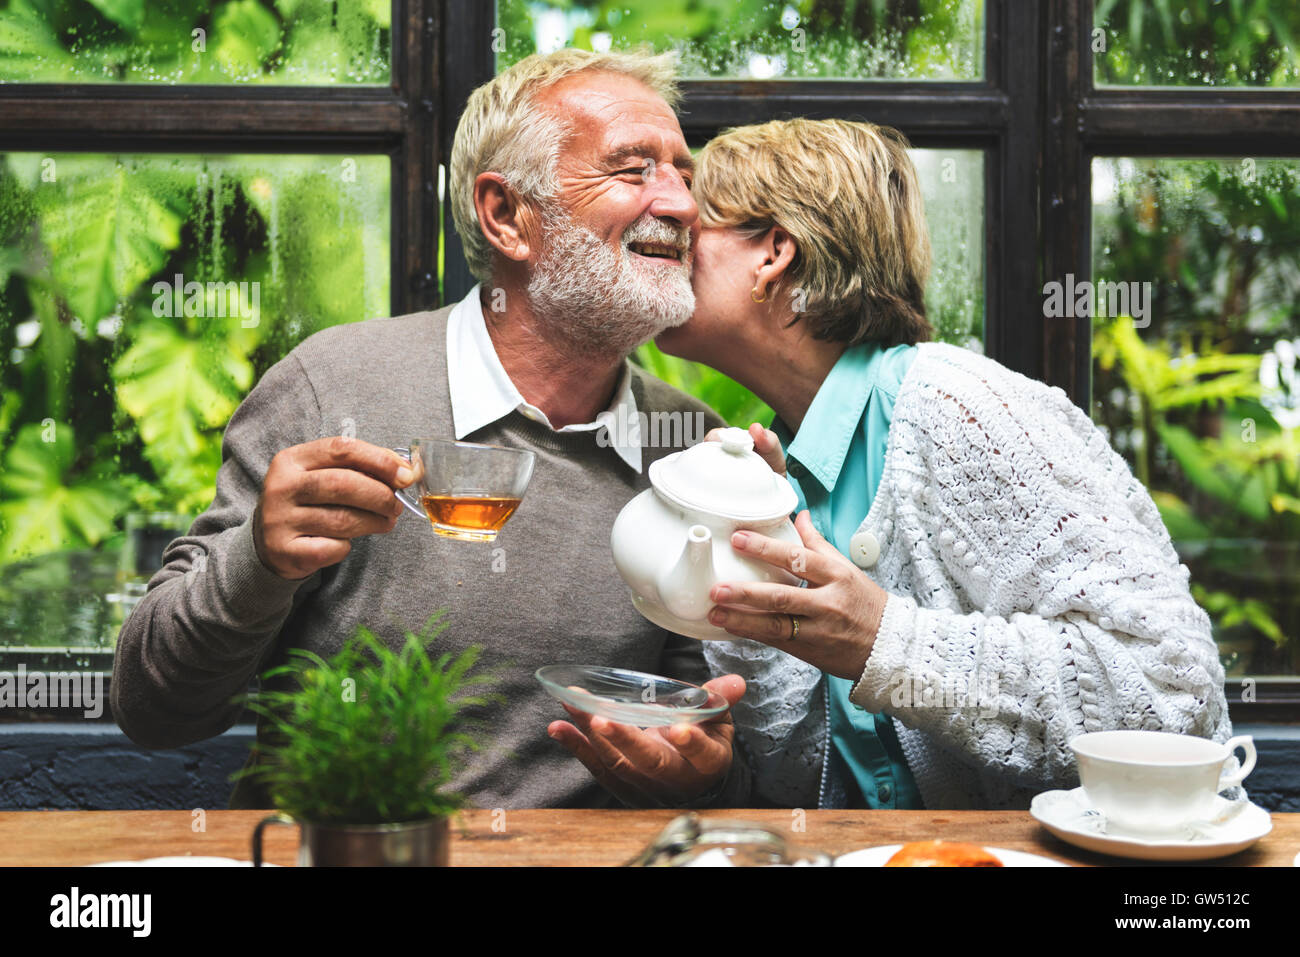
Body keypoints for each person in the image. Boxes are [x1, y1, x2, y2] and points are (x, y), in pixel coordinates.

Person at [111, 49, 750, 811]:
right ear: (507, 215)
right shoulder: (334, 386)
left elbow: (704, 726)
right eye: (634, 169)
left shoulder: (693, 448)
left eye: (684, 171)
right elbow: (153, 707)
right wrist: (258, 560)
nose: (681, 205)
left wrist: (700, 771)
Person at [655, 117, 1231, 809]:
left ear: (774, 252)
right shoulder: (782, 470)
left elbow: (1173, 693)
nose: (668, 245)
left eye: (695, 226)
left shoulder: (958, 405)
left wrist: (883, 639)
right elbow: (807, 788)